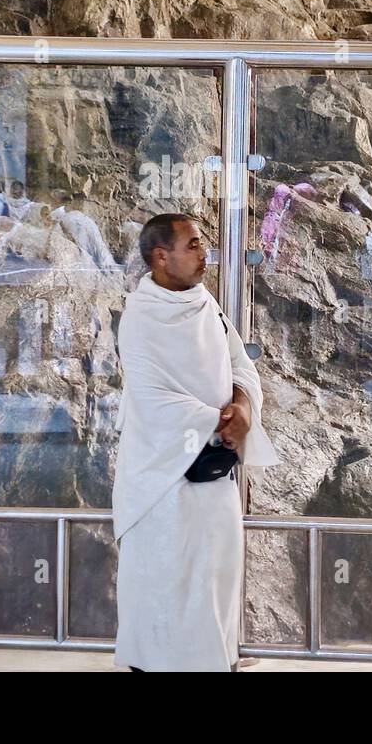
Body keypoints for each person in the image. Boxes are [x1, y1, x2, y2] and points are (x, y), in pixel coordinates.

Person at [111, 213, 280, 672]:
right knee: (165, 583)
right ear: (161, 257)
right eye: (193, 245)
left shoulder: (208, 306)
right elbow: (150, 398)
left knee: (215, 580)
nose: (204, 254)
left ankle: (216, 662)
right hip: (161, 481)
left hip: (215, 475)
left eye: (202, 244)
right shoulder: (140, 318)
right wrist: (219, 419)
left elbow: (240, 366)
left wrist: (242, 409)